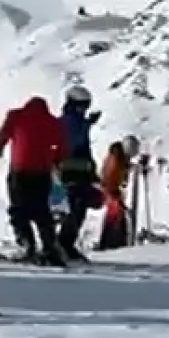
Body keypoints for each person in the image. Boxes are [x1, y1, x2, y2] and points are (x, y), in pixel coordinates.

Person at [0, 95, 65, 264]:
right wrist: (55, 160)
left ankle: (26, 244)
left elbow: (2, 136)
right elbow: (62, 147)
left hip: (20, 171)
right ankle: (50, 246)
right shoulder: (53, 122)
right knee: (41, 211)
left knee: (19, 209)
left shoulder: (16, 116)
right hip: (42, 172)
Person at [55, 86, 101, 261]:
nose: (84, 108)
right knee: (73, 210)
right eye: (81, 105)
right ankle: (62, 244)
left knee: (79, 210)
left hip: (80, 173)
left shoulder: (78, 121)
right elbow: (74, 141)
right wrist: (87, 124)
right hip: (69, 173)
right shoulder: (67, 122)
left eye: (86, 105)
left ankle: (66, 243)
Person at [96, 140, 132, 251]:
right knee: (114, 217)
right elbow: (109, 177)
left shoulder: (113, 159)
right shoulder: (115, 161)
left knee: (113, 217)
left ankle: (111, 242)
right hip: (111, 191)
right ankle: (112, 243)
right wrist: (114, 192)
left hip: (111, 191)